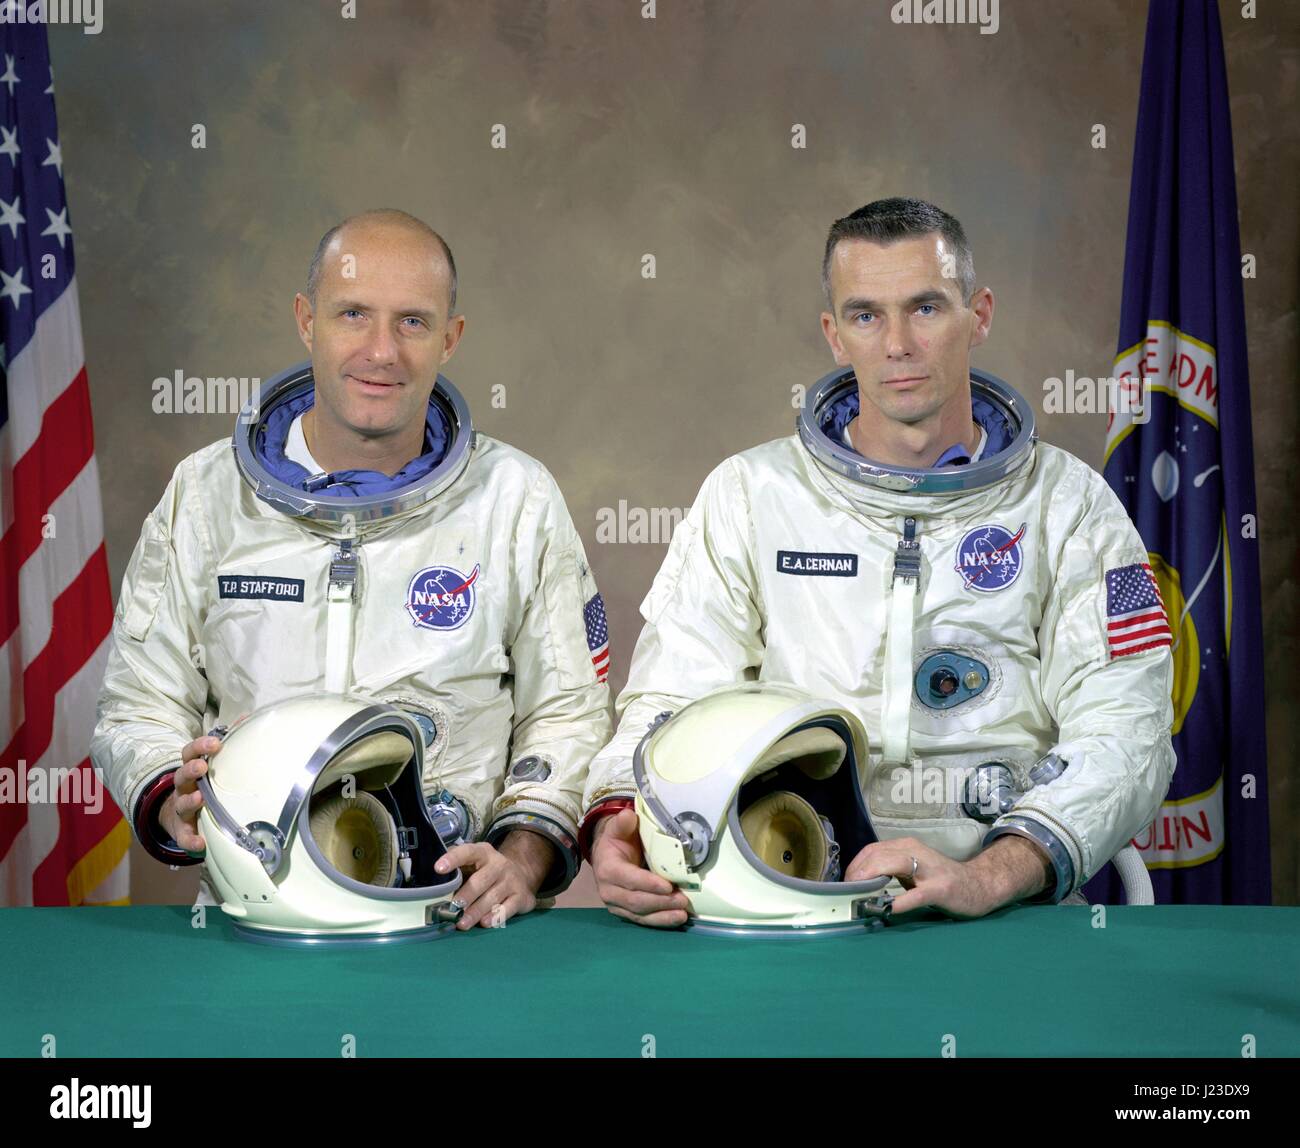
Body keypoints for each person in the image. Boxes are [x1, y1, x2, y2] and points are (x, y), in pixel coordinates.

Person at [580, 197, 1175, 927]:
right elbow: (669, 703)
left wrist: (991, 874)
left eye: (926, 308)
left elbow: (1129, 730)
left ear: (978, 315)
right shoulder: (752, 495)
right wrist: (620, 820)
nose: (897, 343)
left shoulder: (1068, 505)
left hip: (998, 906)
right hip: (788, 889)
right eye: (866, 315)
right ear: (835, 335)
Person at [92, 209, 612, 929]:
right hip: (255, 918)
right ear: (307, 321)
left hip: (452, 922)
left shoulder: (513, 500)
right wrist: (165, 787)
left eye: (412, 322)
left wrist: (521, 855)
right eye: (353, 315)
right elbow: (138, 704)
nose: (381, 351)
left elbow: (568, 712)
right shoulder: (208, 495)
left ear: (450, 339)